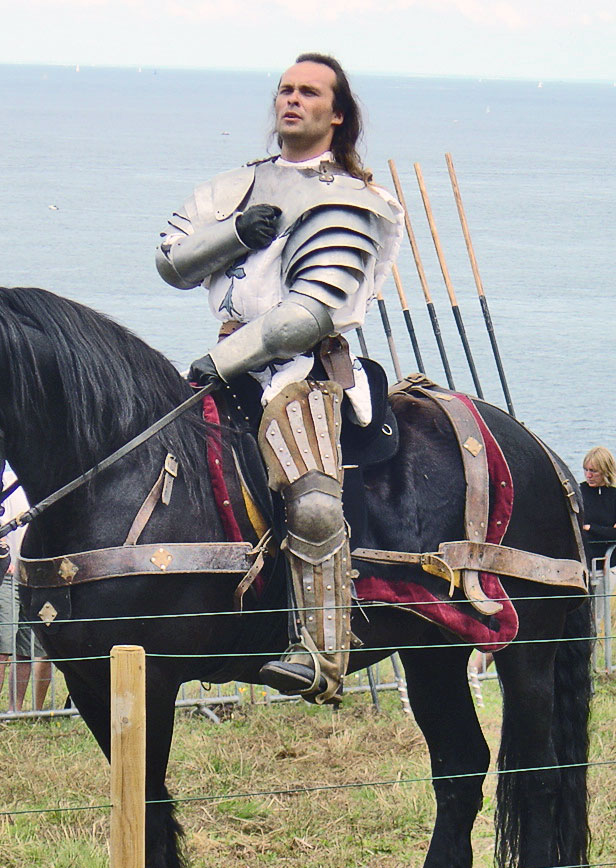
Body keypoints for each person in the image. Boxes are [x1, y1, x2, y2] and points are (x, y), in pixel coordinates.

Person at [156, 53, 402, 704]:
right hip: (222, 355)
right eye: (285, 89)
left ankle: (320, 653)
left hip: (299, 372)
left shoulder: (356, 199)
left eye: (309, 92)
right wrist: (235, 231)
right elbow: (171, 261)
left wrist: (224, 361)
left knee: (316, 504)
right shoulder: (231, 186)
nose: (291, 99)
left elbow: (312, 307)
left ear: (336, 112)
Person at [0, 470, 52, 713]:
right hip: (7, 575)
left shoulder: (39, 481)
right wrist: (1, 559)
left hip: (31, 576)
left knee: (26, 649)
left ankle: (16, 710)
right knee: (1, 647)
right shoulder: (2, 481)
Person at [580, 446, 616, 643]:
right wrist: (609, 529)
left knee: (596, 618)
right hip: (583, 565)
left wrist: (590, 527)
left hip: (606, 566)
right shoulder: (579, 491)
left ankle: (591, 663)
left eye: (594, 471)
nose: (589, 475)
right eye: (586, 470)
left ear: (605, 471)